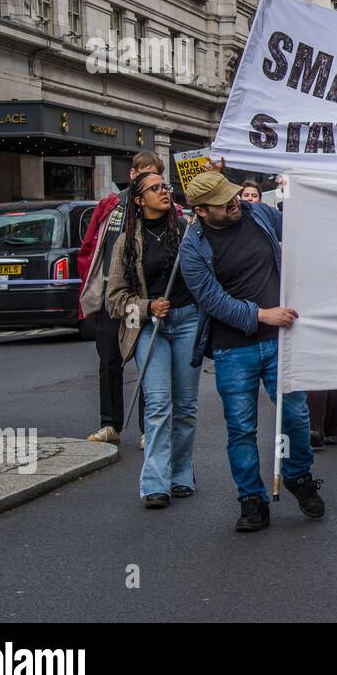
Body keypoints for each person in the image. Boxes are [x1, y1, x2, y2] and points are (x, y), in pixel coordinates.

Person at [179, 168, 326, 533]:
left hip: (280, 340)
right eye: (222, 202)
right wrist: (262, 314)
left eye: (233, 196)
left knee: (296, 415)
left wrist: (300, 189)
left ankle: (297, 474)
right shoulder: (193, 247)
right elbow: (212, 299)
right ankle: (252, 499)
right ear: (200, 211)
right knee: (241, 428)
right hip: (233, 349)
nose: (233, 203)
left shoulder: (258, 213)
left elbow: (298, 227)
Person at [104, 172, 200, 509]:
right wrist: (147, 307)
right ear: (139, 200)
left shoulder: (188, 231)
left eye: (165, 187)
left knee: (186, 407)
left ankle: (181, 474)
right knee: (159, 405)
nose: (163, 191)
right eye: (155, 188)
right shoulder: (126, 242)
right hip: (150, 328)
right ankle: (155, 483)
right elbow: (114, 300)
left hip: (188, 322)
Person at [78, 150, 165, 446]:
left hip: (141, 301)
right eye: (144, 175)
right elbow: (90, 248)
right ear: (132, 174)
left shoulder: (163, 210)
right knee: (109, 361)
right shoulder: (110, 206)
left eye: (156, 177)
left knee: (146, 362)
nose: (151, 183)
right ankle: (110, 424)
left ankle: (146, 427)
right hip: (111, 298)